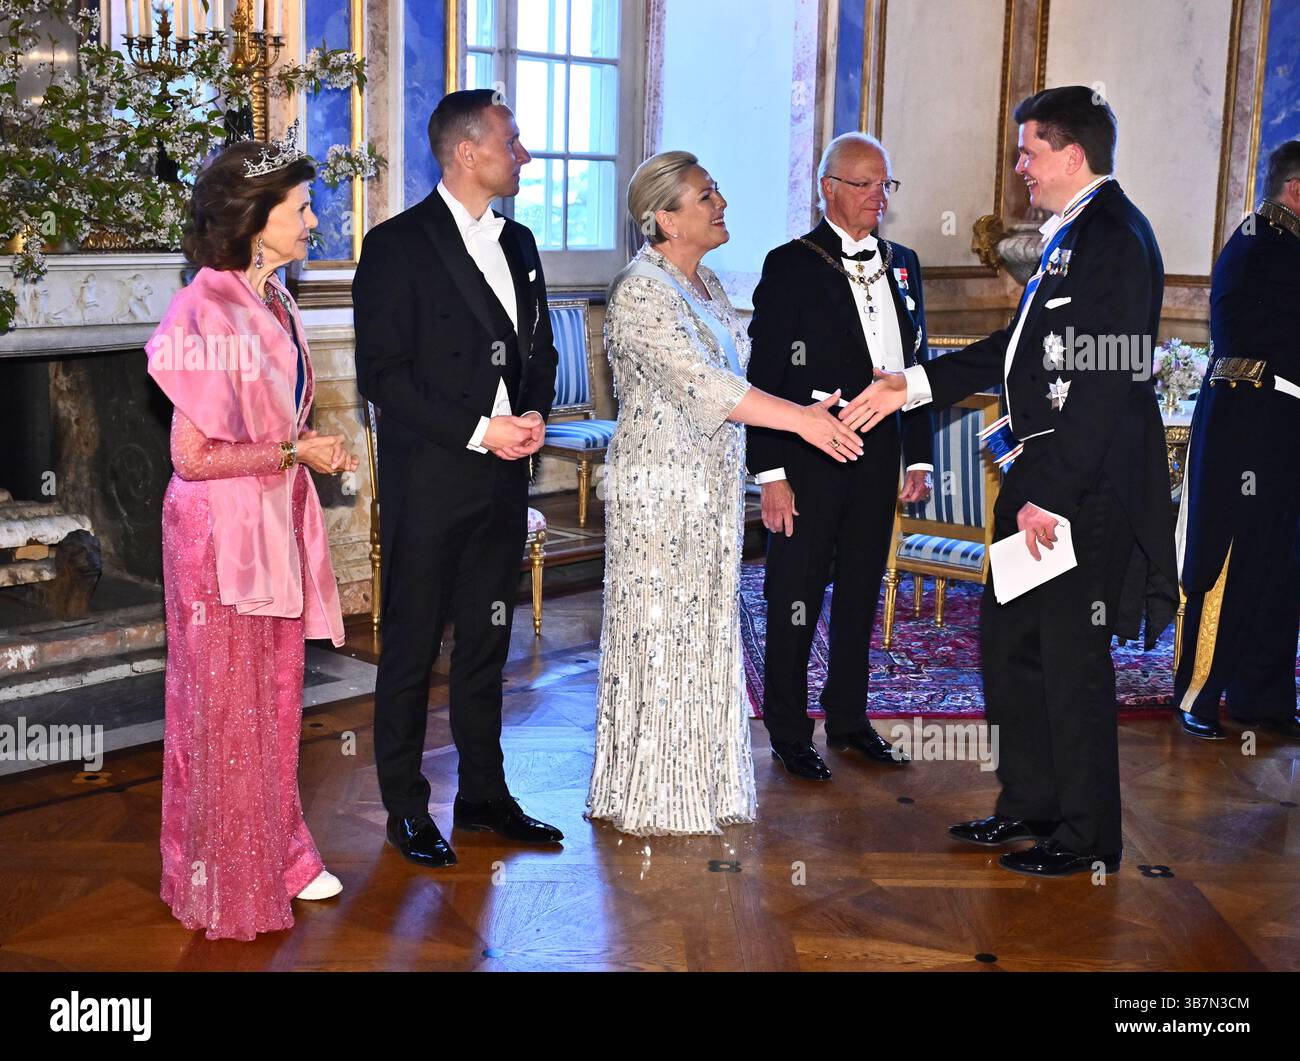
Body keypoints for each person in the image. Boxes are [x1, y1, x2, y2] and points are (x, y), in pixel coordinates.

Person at [842, 86, 1177, 877]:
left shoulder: (1116, 239)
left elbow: (1107, 384)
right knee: (1014, 647)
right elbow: (1015, 349)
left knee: (1070, 662)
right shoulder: (1072, 234)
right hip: (1041, 479)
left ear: (1070, 154)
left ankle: (1087, 833)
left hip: (1072, 493)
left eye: (1029, 151)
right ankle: (1030, 803)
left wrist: (1049, 493)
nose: (1020, 166)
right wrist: (912, 384)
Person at [586, 151, 866, 836]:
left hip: (708, 493)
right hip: (660, 494)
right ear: (663, 216)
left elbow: (733, 375)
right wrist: (801, 420)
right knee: (659, 632)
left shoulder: (703, 282)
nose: (722, 204)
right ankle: (651, 792)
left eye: (717, 191)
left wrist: (807, 402)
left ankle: (701, 784)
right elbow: (706, 387)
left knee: (704, 628)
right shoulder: (640, 291)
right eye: (705, 196)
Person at [149, 133, 359, 941]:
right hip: (216, 534)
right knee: (226, 708)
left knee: (274, 699)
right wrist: (294, 452)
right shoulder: (203, 306)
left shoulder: (276, 298)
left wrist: (308, 449)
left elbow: (279, 412)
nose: (315, 219)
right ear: (255, 218)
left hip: (269, 518)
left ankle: (285, 852)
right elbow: (191, 456)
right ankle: (225, 874)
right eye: (302, 207)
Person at [353, 90, 562, 867]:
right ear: (467, 153)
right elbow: (386, 376)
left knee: (487, 643)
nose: (526, 155)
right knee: (411, 647)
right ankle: (405, 808)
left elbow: (538, 348)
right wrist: (482, 429)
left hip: (507, 476)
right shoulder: (396, 245)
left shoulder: (524, 242)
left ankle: (483, 794)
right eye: (514, 141)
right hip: (435, 477)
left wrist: (533, 414)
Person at [747, 132, 932, 781]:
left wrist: (919, 458)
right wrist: (770, 474)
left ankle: (850, 719)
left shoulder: (904, 262)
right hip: (807, 459)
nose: (878, 197)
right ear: (829, 188)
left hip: (880, 457)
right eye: (865, 184)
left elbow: (918, 367)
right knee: (794, 594)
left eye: (886, 185)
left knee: (860, 590)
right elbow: (764, 375)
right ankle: (790, 731)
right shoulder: (791, 263)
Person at [1175, 140, 1300, 741]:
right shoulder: (1263, 241)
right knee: (1226, 558)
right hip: (1249, 421)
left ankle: (1263, 697)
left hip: (1282, 423)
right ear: (1297, 189)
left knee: (1282, 566)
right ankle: (1198, 691)